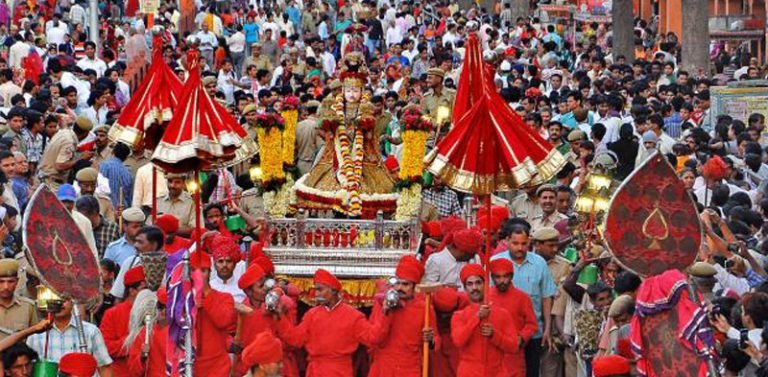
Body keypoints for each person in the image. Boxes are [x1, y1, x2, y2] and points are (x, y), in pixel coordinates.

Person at [276, 268, 390, 376]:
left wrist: (385, 313)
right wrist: (280, 316)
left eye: (320, 290)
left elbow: (373, 337)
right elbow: (295, 339)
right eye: (316, 290)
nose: (316, 294)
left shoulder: (353, 316)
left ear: (333, 290)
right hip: (315, 371)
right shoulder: (311, 314)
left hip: (340, 372)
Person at [491, 225, 557, 377]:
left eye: (523, 243)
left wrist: (547, 328)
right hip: (501, 335)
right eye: (515, 243)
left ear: (529, 242)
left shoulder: (539, 263)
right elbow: (487, 295)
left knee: (531, 372)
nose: (519, 248)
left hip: (533, 333)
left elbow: (546, 296)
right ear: (507, 241)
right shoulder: (495, 262)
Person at [367, 255, 438, 377]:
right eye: (397, 283)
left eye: (405, 284)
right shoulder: (382, 303)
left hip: (409, 367)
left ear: (414, 286)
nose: (400, 288)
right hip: (383, 366)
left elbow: (436, 341)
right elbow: (373, 338)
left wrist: (430, 340)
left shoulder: (425, 308)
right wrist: (386, 313)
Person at [452, 263, 519, 377]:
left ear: (485, 285)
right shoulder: (459, 316)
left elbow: (513, 347)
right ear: (465, 288)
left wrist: (494, 335)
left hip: (497, 372)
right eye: (470, 284)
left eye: (478, 283)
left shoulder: (503, 314)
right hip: (469, 372)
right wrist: (477, 317)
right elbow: (458, 341)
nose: (474, 288)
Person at [26, 299, 113, 375]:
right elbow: (26, 370)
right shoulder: (35, 335)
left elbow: (104, 367)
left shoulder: (91, 331)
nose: (59, 303)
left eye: (64, 299)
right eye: (55, 299)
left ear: (72, 301)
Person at [187, 250, 238, 377]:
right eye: (194, 271)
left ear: (210, 272)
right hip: (190, 366)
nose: (198, 276)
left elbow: (223, 321)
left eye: (203, 271)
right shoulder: (183, 300)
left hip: (218, 367)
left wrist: (206, 292)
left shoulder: (225, 298)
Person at [488, 258, 538, 377]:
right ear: (492, 277)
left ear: (511, 276)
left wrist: (521, 337)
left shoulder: (522, 298)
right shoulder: (486, 296)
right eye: (498, 277)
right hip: (490, 355)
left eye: (505, 276)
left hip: (513, 356)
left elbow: (532, 324)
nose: (502, 281)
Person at [99, 266, 146, 376]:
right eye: (144, 289)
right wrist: (133, 341)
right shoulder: (112, 314)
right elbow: (105, 348)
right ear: (132, 291)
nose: (149, 293)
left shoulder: (156, 313)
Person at [38, 116, 94, 191]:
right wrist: (80, 159)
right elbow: (59, 165)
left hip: (46, 178)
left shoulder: (64, 132)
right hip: (52, 183)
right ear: (86, 133)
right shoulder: (69, 141)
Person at [110, 225, 163, 299]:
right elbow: (118, 296)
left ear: (154, 245)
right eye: (135, 241)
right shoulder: (130, 262)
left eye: (140, 242)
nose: (135, 245)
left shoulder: (169, 266)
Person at [127, 288, 168, 377]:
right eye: (160, 306)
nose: (163, 311)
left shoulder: (181, 332)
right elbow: (133, 371)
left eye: (167, 307)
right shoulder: (145, 333)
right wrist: (141, 357)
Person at [0, 259, 37, 340]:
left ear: (17, 281)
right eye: (1, 282)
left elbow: (35, 337)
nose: (6, 287)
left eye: (10, 282)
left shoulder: (28, 307)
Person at [209, 233, 246, 302]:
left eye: (228, 261)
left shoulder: (243, 289)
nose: (224, 265)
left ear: (235, 264)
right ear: (214, 265)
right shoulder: (209, 288)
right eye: (220, 261)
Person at [156, 173, 195, 237]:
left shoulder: (191, 203)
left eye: (177, 182)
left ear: (183, 184)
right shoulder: (158, 200)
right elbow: (150, 225)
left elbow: (195, 229)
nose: (172, 185)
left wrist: (170, 230)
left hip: (183, 241)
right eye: (170, 181)